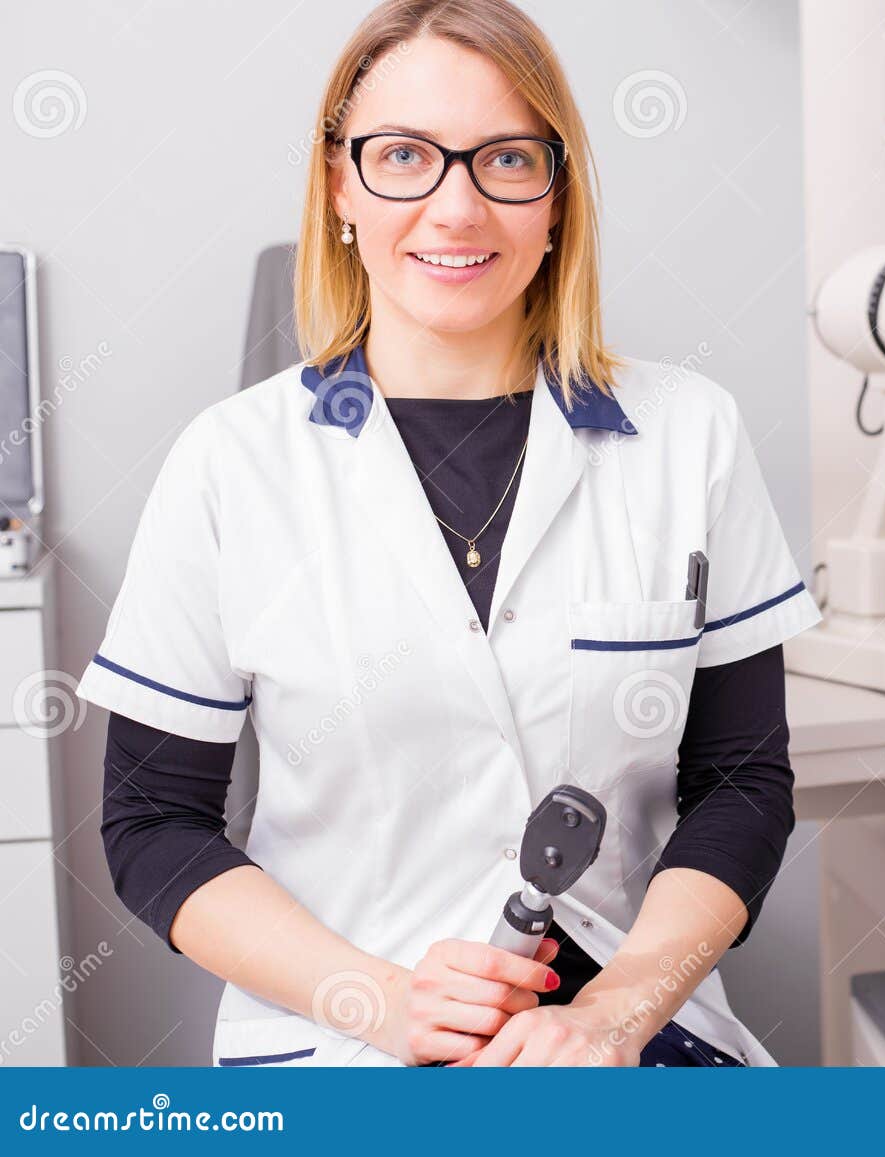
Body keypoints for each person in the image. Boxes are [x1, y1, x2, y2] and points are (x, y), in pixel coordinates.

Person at [79, 0, 820, 1068]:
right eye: (403, 157)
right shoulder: (231, 462)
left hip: (621, 1034)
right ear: (338, 187)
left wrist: (615, 1013)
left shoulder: (686, 432)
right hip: (345, 1037)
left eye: (507, 159)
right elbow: (153, 822)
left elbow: (742, 781)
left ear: (557, 197)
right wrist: (375, 998)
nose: (457, 206)